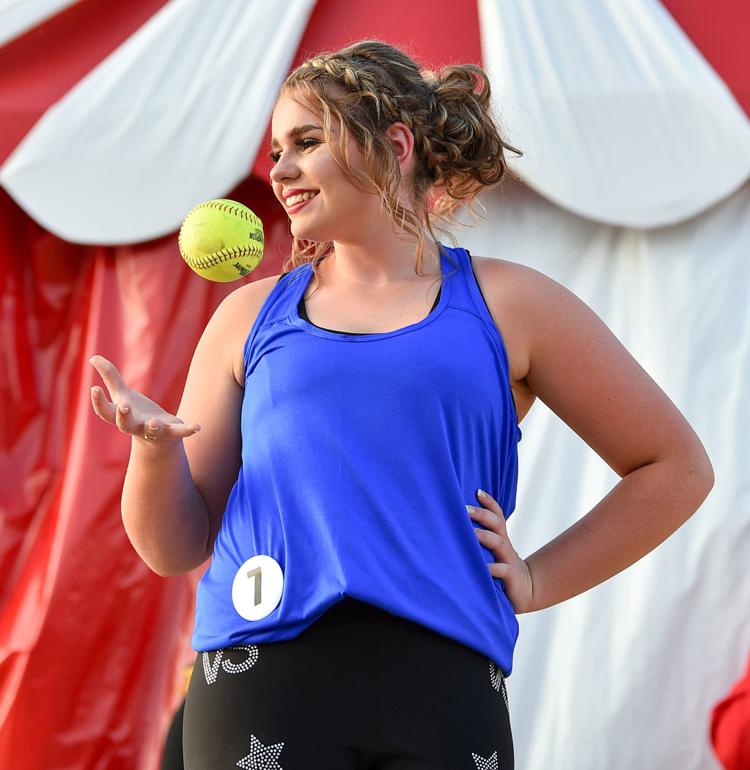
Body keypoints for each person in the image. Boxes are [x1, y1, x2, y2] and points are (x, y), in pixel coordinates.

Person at [89, 39, 714, 770]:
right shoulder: (248, 316)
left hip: (445, 682)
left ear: (395, 144)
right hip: (261, 678)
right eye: (276, 149)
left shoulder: (514, 304)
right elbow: (173, 548)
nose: (280, 170)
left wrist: (540, 578)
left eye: (307, 141)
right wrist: (153, 449)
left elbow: (674, 467)